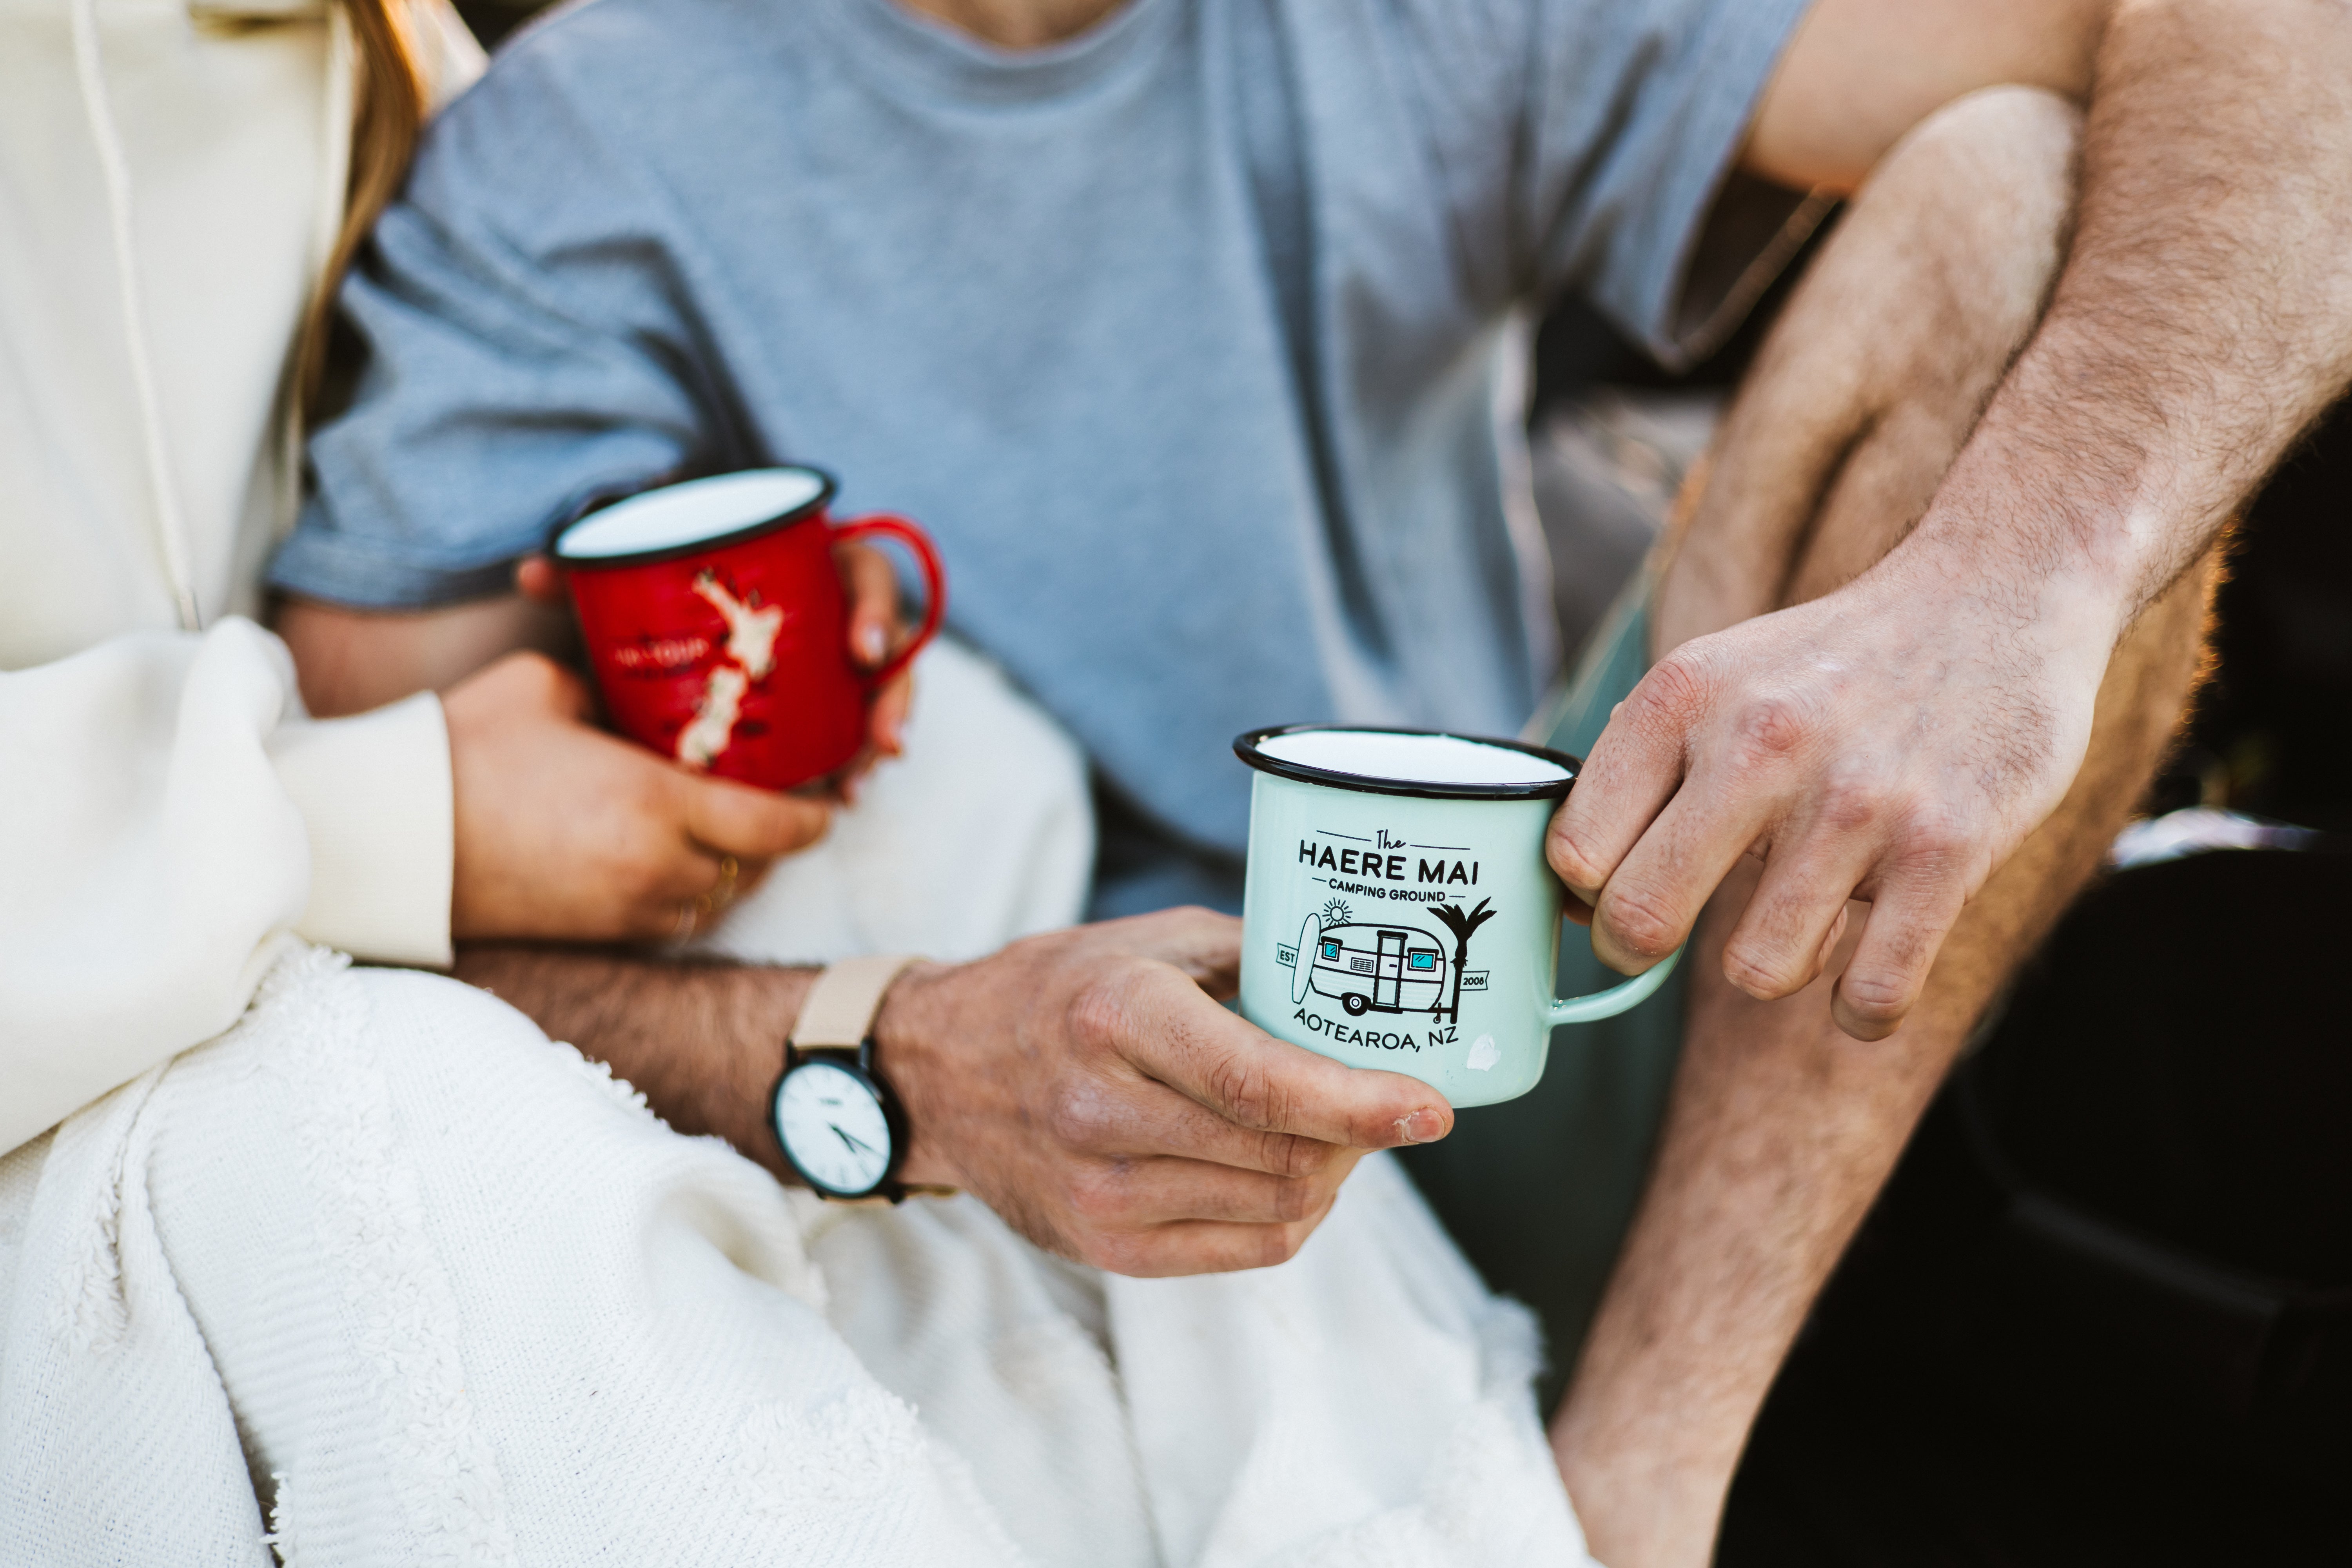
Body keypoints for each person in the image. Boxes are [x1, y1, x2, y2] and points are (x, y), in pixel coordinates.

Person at [270, 0, 2352, 1561]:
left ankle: (1630, 1500)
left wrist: (2027, 578)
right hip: (1024, 1132)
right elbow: (382, 907)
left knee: (2005, 191)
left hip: (1542, 989)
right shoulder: (590, 143)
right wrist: (904, 1054)